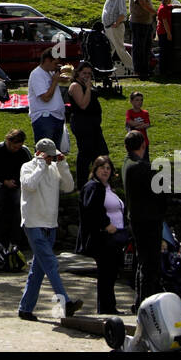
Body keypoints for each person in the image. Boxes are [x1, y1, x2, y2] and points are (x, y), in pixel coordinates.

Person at [16, 138, 82, 321]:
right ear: (38, 154)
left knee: (39, 269)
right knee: (51, 263)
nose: (49, 161)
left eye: (52, 157)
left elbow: (68, 187)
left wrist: (62, 165)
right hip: (33, 223)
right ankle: (65, 302)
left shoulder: (54, 168)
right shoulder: (27, 167)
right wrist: (40, 165)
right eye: (47, 157)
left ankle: (25, 308)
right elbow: (29, 185)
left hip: (50, 224)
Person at [78, 155, 128, 314]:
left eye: (108, 168)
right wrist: (106, 224)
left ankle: (109, 307)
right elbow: (91, 209)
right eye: (102, 168)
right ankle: (106, 309)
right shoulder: (93, 187)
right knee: (106, 274)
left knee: (111, 273)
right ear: (95, 170)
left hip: (115, 237)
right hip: (102, 238)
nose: (105, 171)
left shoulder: (107, 188)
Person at [122, 130, 164, 309]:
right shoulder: (143, 167)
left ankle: (140, 300)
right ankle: (146, 303)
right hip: (149, 219)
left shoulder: (126, 164)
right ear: (143, 145)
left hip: (136, 218)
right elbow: (160, 194)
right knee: (150, 263)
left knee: (142, 261)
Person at [0, 128, 31, 267]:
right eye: (13, 146)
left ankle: (16, 241)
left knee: (19, 206)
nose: (15, 149)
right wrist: (4, 182)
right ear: (7, 141)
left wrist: (18, 183)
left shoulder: (24, 152)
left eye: (18, 147)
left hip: (18, 186)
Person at [67, 61, 107, 188]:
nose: (87, 76)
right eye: (84, 73)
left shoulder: (85, 84)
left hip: (93, 125)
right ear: (78, 73)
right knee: (85, 153)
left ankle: (99, 180)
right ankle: (82, 183)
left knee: (100, 151)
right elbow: (83, 105)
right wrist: (89, 88)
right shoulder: (75, 86)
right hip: (82, 124)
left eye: (89, 73)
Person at [26, 48, 66, 149]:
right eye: (55, 63)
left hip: (57, 117)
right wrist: (55, 81)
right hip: (44, 118)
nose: (56, 66)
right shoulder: (36, 74)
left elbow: (67, 80)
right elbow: (46, 98)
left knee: (55, 154)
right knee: (45, 154)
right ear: (47, 60)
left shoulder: (51, 72)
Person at [101, 0, 133, 72]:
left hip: (115, 27)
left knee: (120, 49)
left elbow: (123, 13)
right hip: (108, 27)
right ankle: (105, 68)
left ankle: (132, 68)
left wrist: (116, 23)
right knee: (109, 49)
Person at [129, 0, 156, 79]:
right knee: (140, 48)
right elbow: (142, 3)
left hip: (145, 22)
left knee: (145, 48)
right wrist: (154, 12)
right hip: (139, 23)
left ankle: (145, 70)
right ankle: (139, 71)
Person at [156, 0, 176, 78]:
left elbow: (171, 6)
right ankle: (163, 71)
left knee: (166, 51)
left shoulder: (164, 6)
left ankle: (166, 70)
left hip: (164, 32)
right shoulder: (163, 9)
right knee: (164, 52)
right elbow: (165, 22)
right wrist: (169, 34)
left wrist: (180, 6)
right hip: (163, 32)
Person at [125, 89, 152, 159]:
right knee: (134, 160)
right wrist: (140, 124)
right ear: (131, 101)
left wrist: (136, 126)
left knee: (145, 160)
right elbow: (129, 122)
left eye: (141, 100)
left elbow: (147, 124)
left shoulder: (145, 113)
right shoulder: (129, 112)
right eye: (137, 100)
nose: (140, 102)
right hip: (133, 142)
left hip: (144, 141)